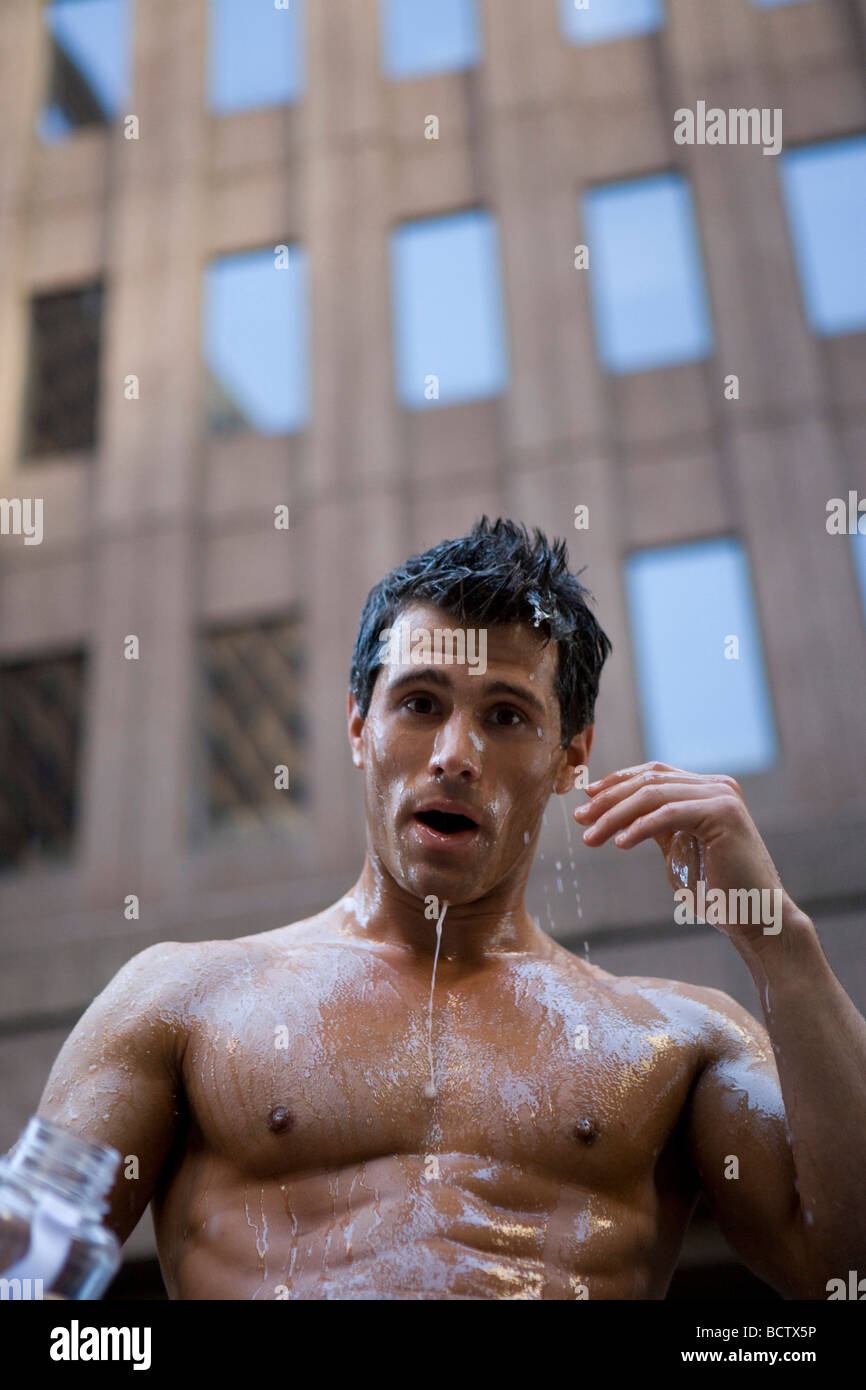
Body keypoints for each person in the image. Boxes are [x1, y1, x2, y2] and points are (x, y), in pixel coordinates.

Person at [31, 517, 866, 1299]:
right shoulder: (181, 1000)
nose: (455, 756)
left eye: (506, 716)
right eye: (420, 703)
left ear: (571, 754)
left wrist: (781, 941)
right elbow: (25, 1274)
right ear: (360, 726)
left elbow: (843, 1270)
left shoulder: (679, 1040)